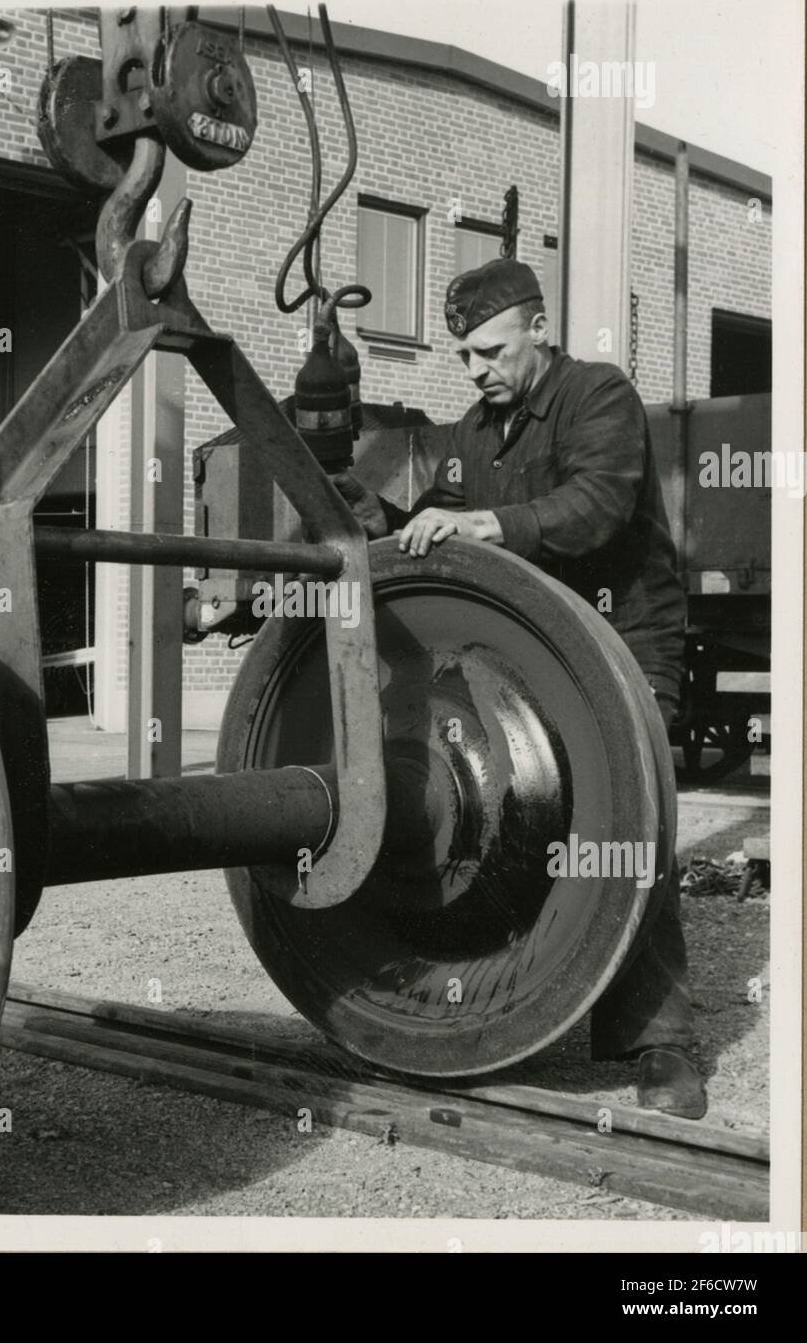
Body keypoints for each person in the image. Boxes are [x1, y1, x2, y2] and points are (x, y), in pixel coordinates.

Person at [335, 257, 706, 1119]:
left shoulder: (597, 397)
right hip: (527, 655)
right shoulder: (472, 433)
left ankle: (660, 1044)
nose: (477, 370)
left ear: (538, 328)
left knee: (625, 824)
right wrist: (382, 520)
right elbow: (442, 523)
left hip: (623, 642)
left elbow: (597, 506)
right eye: (464, 356)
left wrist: (487, 522)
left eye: (491, 352)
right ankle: (516, 1001)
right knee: (524, 818)